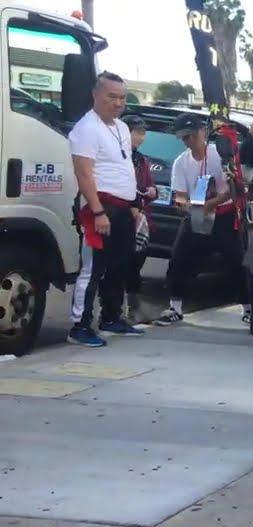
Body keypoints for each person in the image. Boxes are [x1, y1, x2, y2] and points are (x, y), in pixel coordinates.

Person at [68, 71, 144, 346]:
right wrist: (98, 212)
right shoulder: (86, 129)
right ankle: (79, 325)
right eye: (111, 96)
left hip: (123, 207)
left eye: (122, 98)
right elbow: (84, 174)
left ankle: (111, 317)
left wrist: (135, 204)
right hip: (100, 206)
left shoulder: (122, 128)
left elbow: (123, 167)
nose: (117, 103)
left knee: (120, 264)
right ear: (95, 95)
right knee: (93, 268)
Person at [153, 114, 240, 327]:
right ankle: (175, 307)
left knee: (237, 260)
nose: (191, 141)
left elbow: (234, 188)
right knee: (178, 259)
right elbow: (179, 195)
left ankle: (249, 307)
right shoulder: (180, 162)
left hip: (224, 213)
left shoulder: (220, 155)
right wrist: (187, 205)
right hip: (197, 214)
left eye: (193, 135)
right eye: (185, 138)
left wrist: (214, 202)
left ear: (204, 132)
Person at [123, 115, 156, 324]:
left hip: (141, 220)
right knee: (119, 267)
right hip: (122, 218)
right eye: (138, 132)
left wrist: (152, 191)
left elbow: (149, 187)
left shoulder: (141, 159)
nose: (141, 137)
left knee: (135, 265)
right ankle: (116, 311)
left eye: (143, 133)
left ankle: (133, 309)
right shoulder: (118, 157)